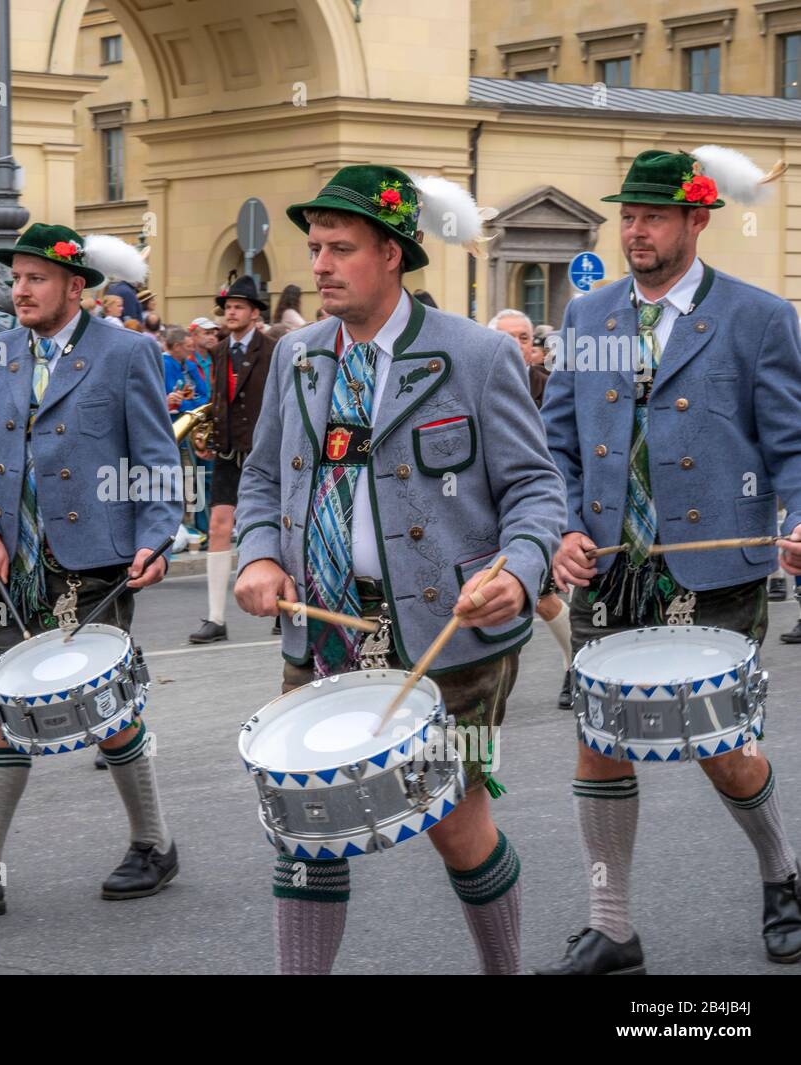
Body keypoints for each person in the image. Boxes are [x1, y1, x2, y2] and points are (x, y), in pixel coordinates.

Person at [234, 163, 565, 975]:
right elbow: (265, 475)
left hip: (449, 632)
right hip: (320, 632)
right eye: (314, 248)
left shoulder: (479, 355)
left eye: (340, 248)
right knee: (306, 822)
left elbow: (535, 486)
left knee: (456, 822)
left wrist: (519, 572)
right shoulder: (297, 356)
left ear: (392, 254)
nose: (318, 266)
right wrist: (259, 552)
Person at [537, 146, 801, 973]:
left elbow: (793, 444)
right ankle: (612, 927)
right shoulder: (588, 317)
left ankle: (781, 875)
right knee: (600, 738)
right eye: (627, 215)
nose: (635, 231)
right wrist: (562, 526)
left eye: (652, 216)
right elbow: (554, 443)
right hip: (611, 565)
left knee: (719, 742)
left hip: (714, 565)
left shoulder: (759, 317)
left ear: (697, 220)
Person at [0, 223, 182, 916]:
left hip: (93, 559)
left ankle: (153, 840)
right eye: (15, 278)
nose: (19, 290)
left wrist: (157, 537)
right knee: (0, 707)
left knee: (106, 709)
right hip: (9, 565)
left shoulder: (125, 353)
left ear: (73, 285)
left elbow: (154, 458)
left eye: (35, 278)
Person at [489, 308, 574, 708]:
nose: (515, 345)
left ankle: (576, 662)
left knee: (541, 597)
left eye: (523, 338)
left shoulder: (547, 386)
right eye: (506, 337)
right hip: (486, 512)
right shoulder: (477, 382)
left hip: (534, 512)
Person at [188, 274, 274, 644]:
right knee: (219, 525)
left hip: (263, 451)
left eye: (238, 307)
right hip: (227, 451)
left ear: (254, 313)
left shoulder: (273, 349)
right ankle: (215, 617)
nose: (231, 313)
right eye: (228, 308)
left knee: (280, 528)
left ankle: (282, 608)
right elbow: (220, 397)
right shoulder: (219, 351)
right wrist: (209, 435)